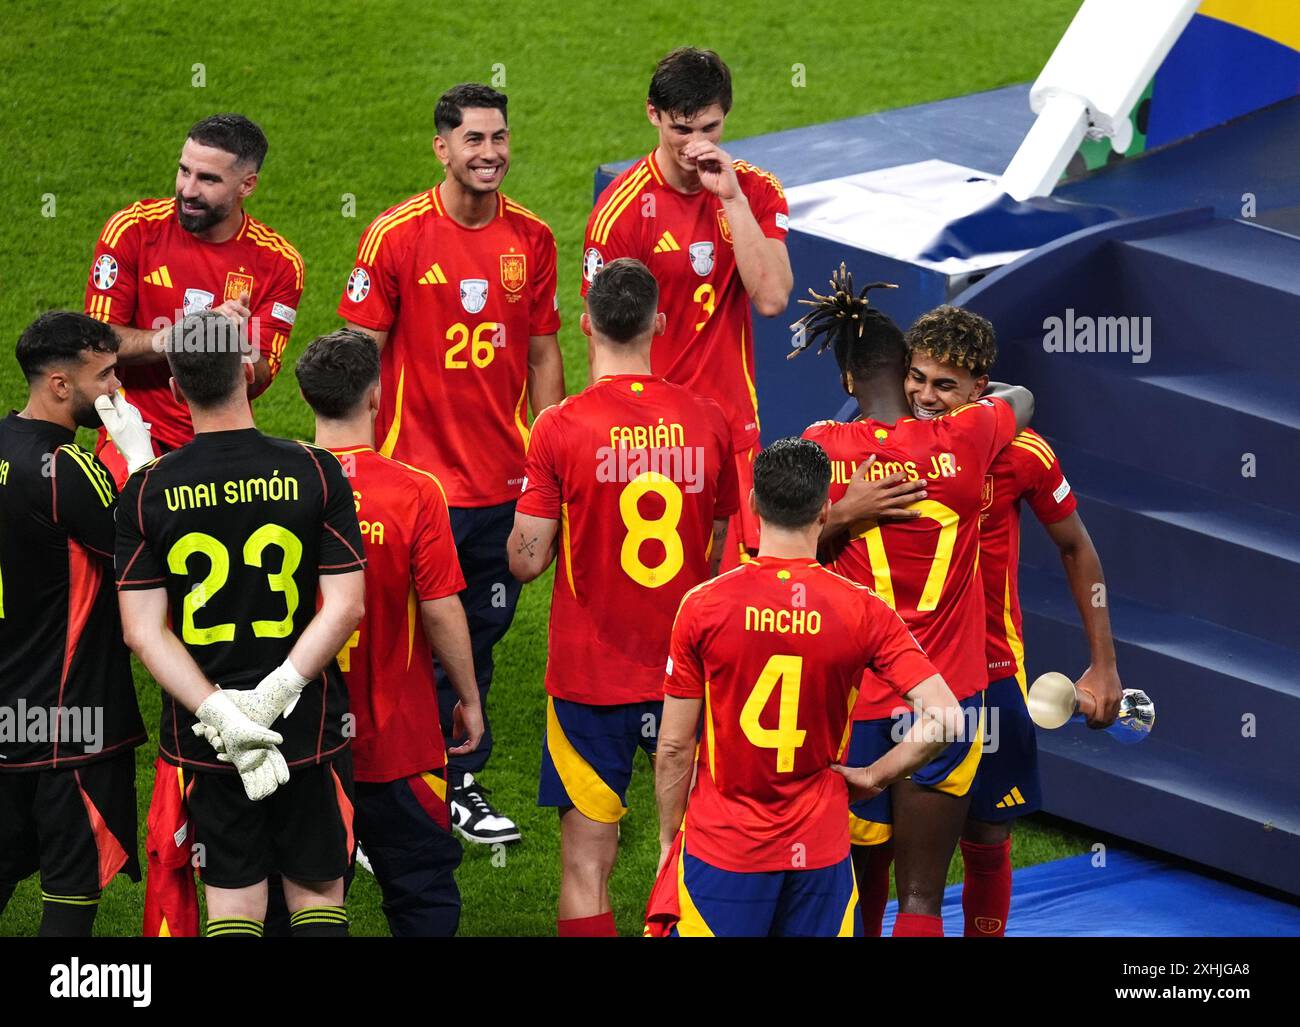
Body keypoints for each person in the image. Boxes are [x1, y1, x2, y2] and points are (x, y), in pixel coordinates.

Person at [340, 83, 564, 843]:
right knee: (391, 643)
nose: (490, 153)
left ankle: (452, 783)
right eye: (474, 140)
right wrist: (360, 468)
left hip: (502, 486)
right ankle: (372, 797)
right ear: (442, 147)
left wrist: (550, 459)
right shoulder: (396, 236)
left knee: (475, 637)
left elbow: (541, 351)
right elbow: (355, 361)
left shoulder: (530, 238)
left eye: (499, 138)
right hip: (416, 489)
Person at [116, 310, 366, 938]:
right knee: (316, 893)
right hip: (305, 725)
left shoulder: (147, 490)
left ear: (174, 389)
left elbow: (143, 631)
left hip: (208, 738)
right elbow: (345, 606)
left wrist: (225, 716)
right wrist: (275, 695)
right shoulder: (313, 470)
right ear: (249, 372)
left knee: (233, 904)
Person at [797, 270, 1032, 937]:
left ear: (848, 380)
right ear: (907, 372)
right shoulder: (968, 439)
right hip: (945, 699)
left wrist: (842, 514)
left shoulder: (819, 448)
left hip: (858, 703)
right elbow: (1023, 397)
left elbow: (781, 560)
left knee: (856, 882)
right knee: (923, 896)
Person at [650, 437, 963, 937]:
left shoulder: (703, 606)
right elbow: (947, 717)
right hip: (817, 849)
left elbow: (672, 746)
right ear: (824, 510)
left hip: (722, 847)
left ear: (754, 503)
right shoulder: (863, 610)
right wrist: (877, 775)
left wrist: (671, 838)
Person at [507, 258, 737, 936]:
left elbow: (525, 561)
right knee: (695, 846)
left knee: (585, 863)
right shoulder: (709, 417)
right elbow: (722, 533)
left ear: (585, 323)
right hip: (689, 672)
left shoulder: (559, 426)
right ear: (658, 324)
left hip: (589, 677)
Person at [902, 305, 1121, 936]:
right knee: (883, 837)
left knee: (987, 829)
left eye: (945, 385)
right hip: (895, 670)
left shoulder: (1023, 453)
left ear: (980, 388)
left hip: (992, 669)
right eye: (917, 377)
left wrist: (1104, 664)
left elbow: (1078, 549)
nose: (926, 395)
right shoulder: (886, 440)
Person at [295, 328, 485, 936]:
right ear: (377, 396)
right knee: (423, 895)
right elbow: (440, 609)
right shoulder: (415, 493)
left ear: (308, 398)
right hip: (401, 745)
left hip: (305, 740)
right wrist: (468, 699)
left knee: (304, 898)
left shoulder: (283, 488)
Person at [582, 47, 793, 569]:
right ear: (652, 114)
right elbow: (602, 343)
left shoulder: (757, 192)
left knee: (733, 607)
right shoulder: (621, 216)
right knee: (658, 597)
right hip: (654, 438)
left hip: (732, 434)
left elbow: (771, 297)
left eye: (710, 128)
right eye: (681, 129)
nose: (696, 144)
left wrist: (732, 199)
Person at [0, 312, 147, 936]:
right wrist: (141, 466)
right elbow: (147, 551)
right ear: (60, 384)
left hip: (8, 718)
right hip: (70, 729)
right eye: (107, 375)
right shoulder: (68, 471)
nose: (117, 390)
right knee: (71, 895)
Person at [85, 113, 304, 486]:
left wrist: (239, 346)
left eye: (208, 179)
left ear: (246, 185)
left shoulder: (279, 264)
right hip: (133, 434)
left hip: (223, 445)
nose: (187, 189)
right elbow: (96, 344)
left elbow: (262, 375)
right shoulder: (135, 230)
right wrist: (189, 335)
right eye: (184, 171)